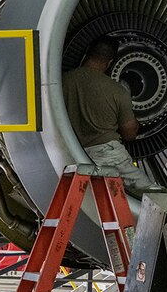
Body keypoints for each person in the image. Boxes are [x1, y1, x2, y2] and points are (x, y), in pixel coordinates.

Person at [62, 39, 153, 194]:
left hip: (70, 154)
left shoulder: (62, 81)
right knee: (153, 196)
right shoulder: (118, 91)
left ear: (86, 54)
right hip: (108, 156)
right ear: (110, 62)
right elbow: (130, 134)